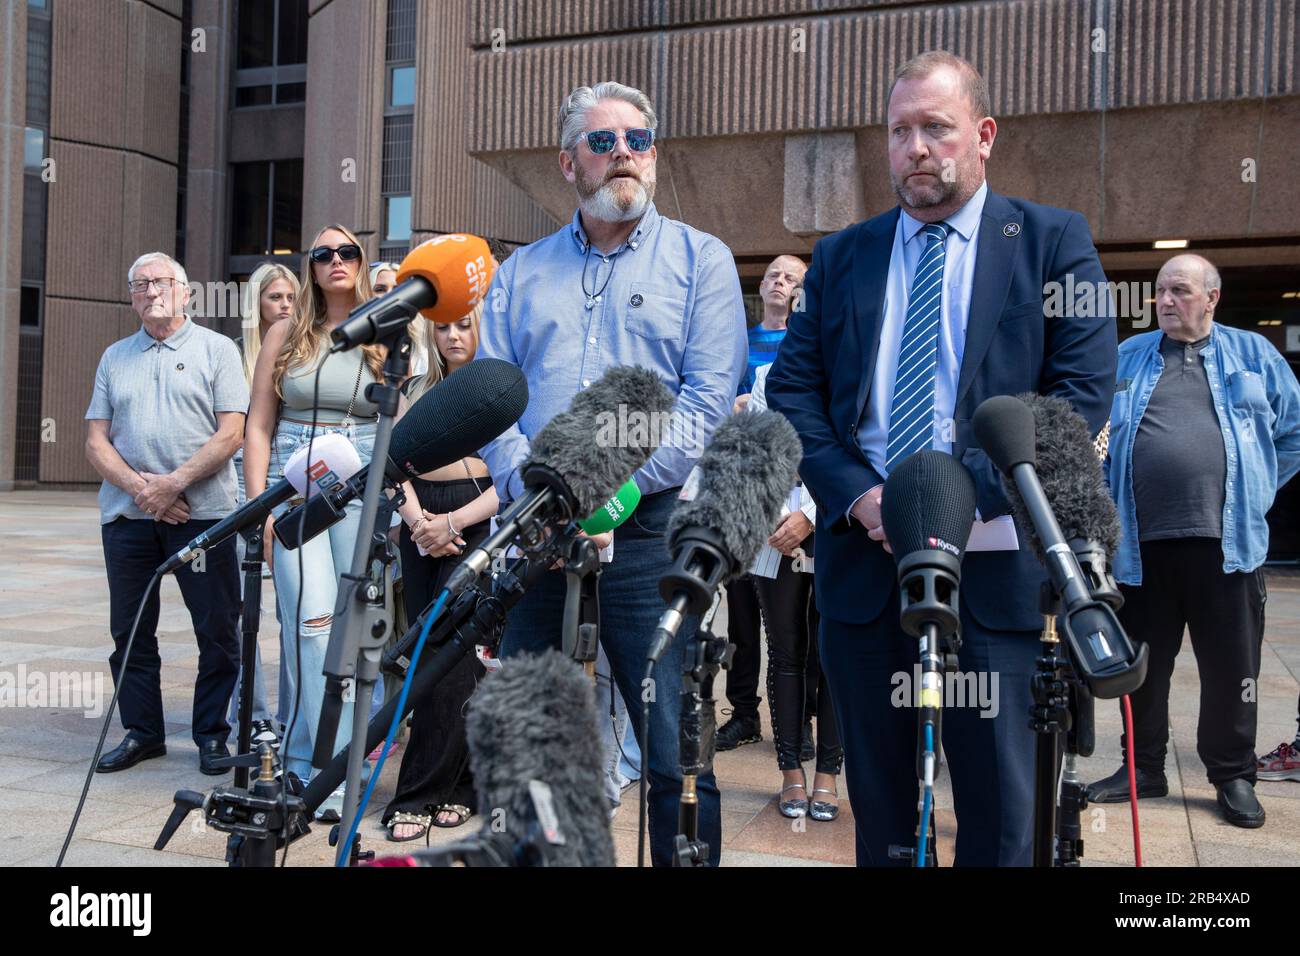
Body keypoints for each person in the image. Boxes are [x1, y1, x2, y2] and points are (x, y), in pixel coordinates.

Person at [766, 51, 1117, 865]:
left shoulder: (1051, 241)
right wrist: (861, 498)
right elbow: (795, 395)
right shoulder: (842, 254)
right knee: (884, 820)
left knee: (998, 823)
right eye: (899, 132)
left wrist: (950, 503)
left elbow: (1078, 398)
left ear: (983, 135)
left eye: (936, 128)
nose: (915, 148)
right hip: (863, 568)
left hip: (992, 578)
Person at [476, 80, 748, 866]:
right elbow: (493, 402)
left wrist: (623, 486)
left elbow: (705, 401)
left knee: (673, 747)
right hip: (536, 532)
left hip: (651, 530)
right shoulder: (520, 273)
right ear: (569, 163)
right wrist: (535, 490)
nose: (625, 151)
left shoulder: (702, 261)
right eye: (604, 141)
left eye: (640, 138)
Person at [1087, 253, 1300, 827]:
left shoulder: (1255, 355)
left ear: (1212, 298)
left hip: (1226, 547)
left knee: (1233, 671)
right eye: (1160, 292)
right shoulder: (1127, 357)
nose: (1165, 301)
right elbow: (1096, 443)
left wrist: (1252, 493)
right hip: (1140, 548)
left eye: (1180, 290)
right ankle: (1143, 770)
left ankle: (1232, 775)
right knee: (1143, 667)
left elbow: (1293, 434)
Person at [242, 224, 385, 819]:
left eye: (346, 252)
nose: (335, 262)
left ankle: (342, 767)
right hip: (294, 490)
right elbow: (256, 425)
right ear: (311, 268)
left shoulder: (386, 330)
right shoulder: (286, 332)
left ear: (361, 260)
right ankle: (301, 763)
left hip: (359, 485)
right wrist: (261, 508)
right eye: (322, 254)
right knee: (308, 625)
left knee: (350, 631)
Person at [85, 252, 248, 774]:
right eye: (140, 284)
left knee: (217, 629)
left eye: (161, 282)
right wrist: (142, 490)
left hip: (204, 518)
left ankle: (211, 736)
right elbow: (95, 441)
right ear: (131, 295)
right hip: (129, 520)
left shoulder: (217, 350)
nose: (151, 291)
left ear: (186, 291)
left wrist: (175, 483)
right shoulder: (114, 357)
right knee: (130, 632)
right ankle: (143, 733)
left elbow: (232, 432)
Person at [383, 302, 500, 841]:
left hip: (476, 519)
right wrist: (419, 522)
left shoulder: (501, 389)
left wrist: (452, 521)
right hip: (420, 521)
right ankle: (438, 785)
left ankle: (447, 788)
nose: (453, 335)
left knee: (462, 658)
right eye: (444, 326)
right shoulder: (416, 388)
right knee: (428, 650)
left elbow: (517, 477)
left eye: (464, 325)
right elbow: (390, 462)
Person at [718, 254, 809, 754]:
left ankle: (800, 720)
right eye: (773, 274)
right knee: (739, 611)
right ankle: (744, 713)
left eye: (791, 278)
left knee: (791, 621)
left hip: (793, 502)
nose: (778, 281)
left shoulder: (808, 346)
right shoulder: (740, 344)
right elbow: (722, 410)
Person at [749, 362, 843, 820]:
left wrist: (807, 512)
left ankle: (828, 774)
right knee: (785, 652)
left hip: (838, 522)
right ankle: (791, 772)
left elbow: (854, 446)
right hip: (773, 527)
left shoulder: (850, 362)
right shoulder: (770, 373)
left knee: (832, 655)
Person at [230, 261, 299, 752]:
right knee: (244, 610)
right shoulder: (235, 356)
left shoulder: (302, 351)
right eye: (276, 297)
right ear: (257, 303)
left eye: (292, 297)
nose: (285, 306)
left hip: (293, 486)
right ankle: (253, 716)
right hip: (241, 486)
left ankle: (295, 716)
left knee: (296, 610)